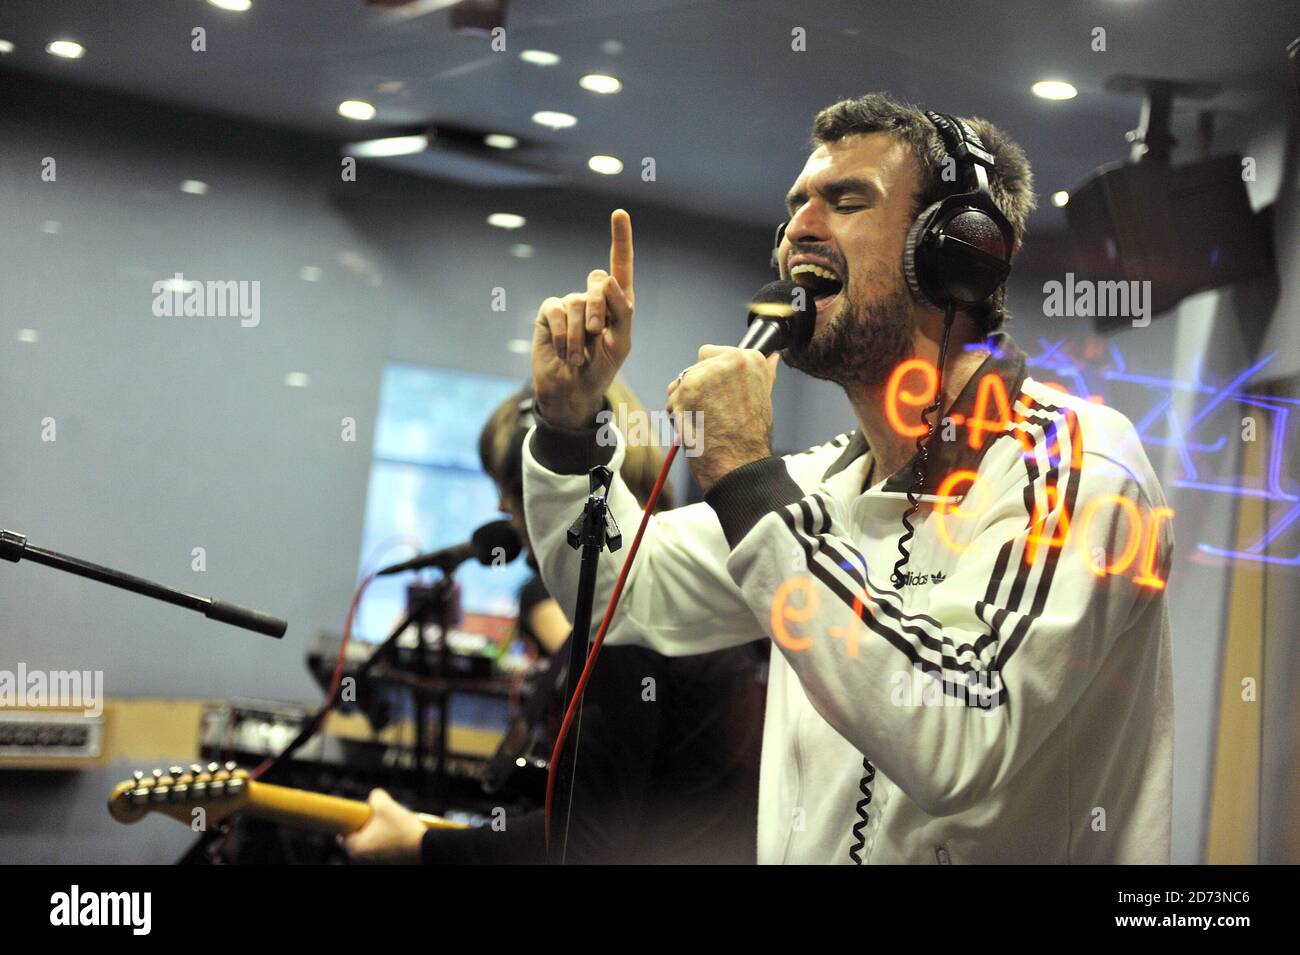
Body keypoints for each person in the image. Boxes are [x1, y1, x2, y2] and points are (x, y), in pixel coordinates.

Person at [519, 93, 1174, 864]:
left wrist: (745, 476)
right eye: (797, 203)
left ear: (955, 251)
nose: (799, 227)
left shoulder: (1078, 465)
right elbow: (617, 593)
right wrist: (569, 425)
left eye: (845, 200)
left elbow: (959, 732)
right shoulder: (821, 483)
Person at [344, 380, 766, 864]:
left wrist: (421, 846)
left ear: (557, 492)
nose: (504, 509)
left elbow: (580, 843)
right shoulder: (664, 605)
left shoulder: (634, 621)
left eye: (512, 488)